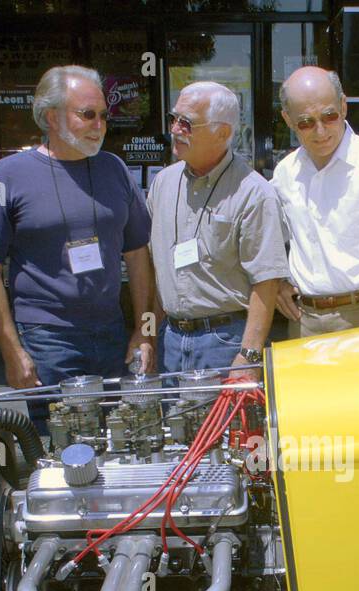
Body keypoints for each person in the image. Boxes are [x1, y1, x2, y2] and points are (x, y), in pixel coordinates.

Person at [0, 65, 155, 420]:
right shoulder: (9, 175)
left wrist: (145, 333)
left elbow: (139, 255)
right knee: (58, 452)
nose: (99, 124)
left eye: (103, 115)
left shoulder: (115, 170)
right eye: (87, 115)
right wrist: (10, 350)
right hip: (46, 339)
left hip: (111, 334)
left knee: (117, 445)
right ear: (51, 117)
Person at [148, 81, 289, 374]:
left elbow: (267, 281)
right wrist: (149, 334)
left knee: (223, 423)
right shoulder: (163, 183)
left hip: (225, 342)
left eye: (187, 124)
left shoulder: (253, 193)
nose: (175, 130)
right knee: (173, 422)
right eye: (173, 119)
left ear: (222, 132)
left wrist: (248, 357)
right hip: (170, 338)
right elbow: (154, 266)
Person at [270, 67, 359, 338]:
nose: (320, 131)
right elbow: (272, 239)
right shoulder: (285, 173)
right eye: (306, 122)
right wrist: (277, 281)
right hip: (303, 320)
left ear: (344, 106)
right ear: (288, 120)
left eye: (329, 116)